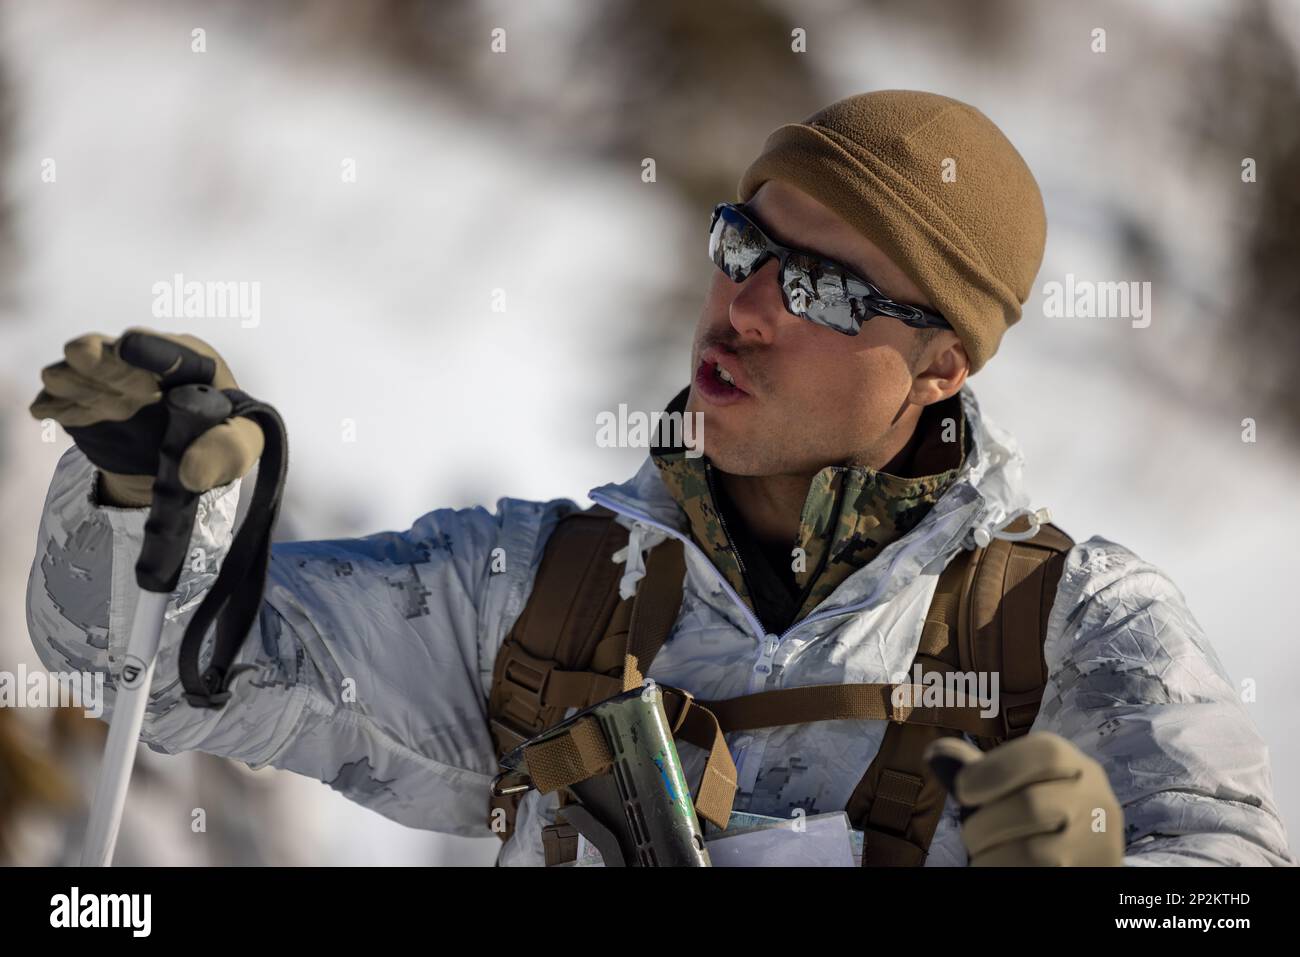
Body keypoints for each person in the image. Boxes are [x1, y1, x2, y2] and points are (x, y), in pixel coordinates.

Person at [26, 90, 1294, 866]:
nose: (742, 304)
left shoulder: (1083, 633)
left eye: (815, 287)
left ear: (941, 366)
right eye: (741, 242)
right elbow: (167, 670)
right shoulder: (542, 591)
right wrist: (146, 507)